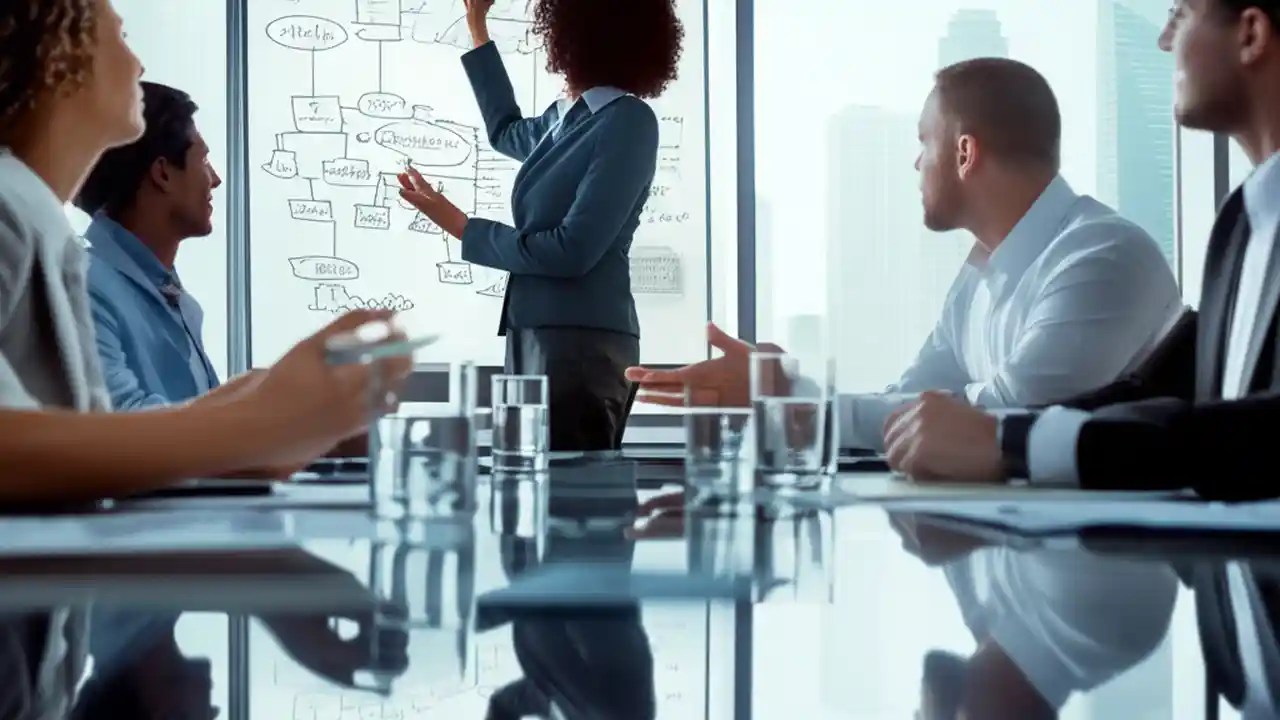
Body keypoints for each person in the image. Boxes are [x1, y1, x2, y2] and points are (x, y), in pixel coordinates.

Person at [627, 59, 1182, 451]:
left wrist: (786, 395)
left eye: (924, 142)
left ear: (964, 152)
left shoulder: (1101, 258)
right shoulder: (979, 278)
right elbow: (912, 401)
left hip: (1109, 573)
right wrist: (782, 389)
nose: (916, 165)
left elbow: (994, 422)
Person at [0, 0, 410, 501]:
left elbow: (86, 437)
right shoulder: (8, 204)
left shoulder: (35, 214)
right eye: (122, 36)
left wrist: (284, 405)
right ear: (62, 54)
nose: (139, 64)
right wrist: (264, 425)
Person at [878, 0, 1280, 498]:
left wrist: (1010, 439)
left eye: (1181, 12)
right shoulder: (1239, 228)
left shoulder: (1107, 252)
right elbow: (1166, 398)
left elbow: (1254, 429)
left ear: (1251, 35)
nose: (1163, 39)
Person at [397, 0, 684, 451]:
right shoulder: (564, 119)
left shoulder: (628, 120)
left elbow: (572, 251)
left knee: (571, 504)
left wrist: (462, 227)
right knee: (528, 496)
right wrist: (478, 27)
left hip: (582, 346)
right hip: (532, 333)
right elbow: (505, 131)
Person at [74, 81, 221, 409]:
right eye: (204, 161)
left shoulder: (173, 297)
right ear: (163, 173)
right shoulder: (83, 286)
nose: (215, 179)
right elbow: (119, 424)